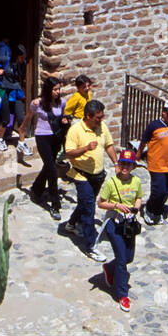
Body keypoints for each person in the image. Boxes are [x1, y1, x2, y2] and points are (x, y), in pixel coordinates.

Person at [63, 99, 117, 261]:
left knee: (86, 202)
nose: (101, 120)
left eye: (102, 116)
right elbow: (69, 153)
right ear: (88, 116)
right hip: (81, 175)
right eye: (98, 117)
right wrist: (86, 148)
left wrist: (116, 163)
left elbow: (109, 145)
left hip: (98, 175)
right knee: (89, 209)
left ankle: (71, 224)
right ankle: (91, 245)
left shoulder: (102, 126)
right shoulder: (75, 130)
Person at [98, 149, 143, 312]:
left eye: (128, 164)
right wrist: (116, 205)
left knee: (129, 257)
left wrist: (136, 208)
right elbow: (101, 203)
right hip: (114, 224)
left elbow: (139, 197)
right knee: (122, 260)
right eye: (122, 163)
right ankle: (122, 294)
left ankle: (109, 268)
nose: (125, 167)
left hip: (128, 225)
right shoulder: (111, 183)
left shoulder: (136, 181)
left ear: (132, 166)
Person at [21, 76, 66, 218]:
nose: (57, 92)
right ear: (48, 90)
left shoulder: (62, 103)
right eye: (55, 89)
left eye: (59, 89)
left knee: (49, 166)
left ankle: (36, 189)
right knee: (52, 170)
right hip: (42, 137)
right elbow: (28, 117)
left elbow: (61, 119)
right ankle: (55, 204)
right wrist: (22, 131)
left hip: (56, 137)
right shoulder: (37, 103)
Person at [139, 99, 168, 224]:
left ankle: (157, 210)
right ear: (163, 112)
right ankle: (149, 210)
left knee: (167, 190)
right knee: (158, 191)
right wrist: (138, 155)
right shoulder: (154, 125)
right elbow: (144, 141)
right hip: (156, 165)